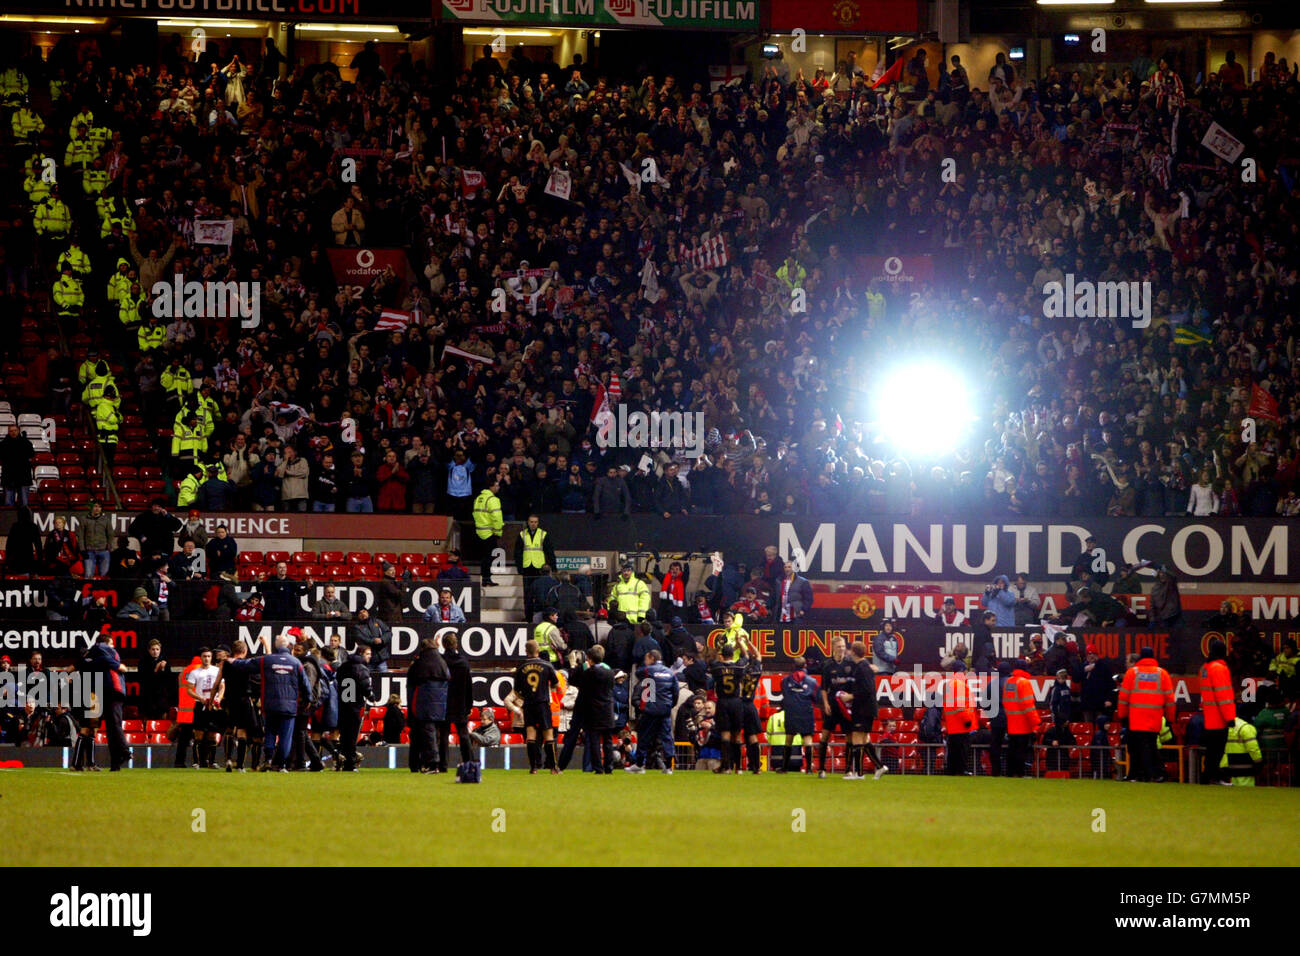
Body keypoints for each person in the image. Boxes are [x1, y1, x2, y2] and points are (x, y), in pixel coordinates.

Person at [217, 632, 311, 772]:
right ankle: (281, 765)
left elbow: (246, 664)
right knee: (286, 735)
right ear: (288, 647)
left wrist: (232, 661)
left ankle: (267, 759)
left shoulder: (267, 660)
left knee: (270, 732)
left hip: (270, 704)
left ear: (275, 646)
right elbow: (305, 683)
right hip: (289, 705)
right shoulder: (296, 662)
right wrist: (308, 698)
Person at [1116, 647, 1176, 783]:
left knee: (1135, 749)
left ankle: (1136, 774)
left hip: (1135, 719)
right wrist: (1170, 718)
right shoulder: (1162, 673)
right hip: (1154, 719)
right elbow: (1170, 700)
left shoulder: (1132, 673)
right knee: (1151, 747)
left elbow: (1123, 698)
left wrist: (1123, 716)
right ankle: (1156, 774)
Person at [627, 649, 679, 773]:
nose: (645, 662)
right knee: (667, 737)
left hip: (650, 709)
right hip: (665, 710)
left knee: (644, 736)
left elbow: (639, 674)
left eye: (646, 659)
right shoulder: (670, 673)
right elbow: (675, 692)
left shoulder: (647, 671)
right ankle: (668, 766)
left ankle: (640, 765)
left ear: (651, 658)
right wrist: (669, 705)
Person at [512, 639, 559, 774]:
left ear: (526, 651)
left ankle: (533, 768)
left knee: (531, 735)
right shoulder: (547, 666)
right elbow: (556, 685)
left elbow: (516, 692)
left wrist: (524, 698)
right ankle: (554, 768)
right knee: (548, 735)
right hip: (543, 703)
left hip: (529, 704)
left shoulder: (521, 668)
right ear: (538, 650)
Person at [843, 641, 887, 780]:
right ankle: (879, 767)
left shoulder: (862, 668)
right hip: (866, 707)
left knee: (857, 736)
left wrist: (851, 696)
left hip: (863, 708)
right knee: (863, 739)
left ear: (853, 652)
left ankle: (859, 773)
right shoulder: (863, 666)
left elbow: (867, 690)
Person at [215, 640, 262, 771]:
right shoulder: (247, 664)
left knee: (230, 729)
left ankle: (228, 759)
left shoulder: (225, 664)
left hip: (229, 699)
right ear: (245, 651)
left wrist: (214, 696)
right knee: (242, 732)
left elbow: (218, 681)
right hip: (244, 699)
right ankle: (240, 765)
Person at [407, 637, 449, 773]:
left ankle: (431, 764)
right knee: (434, 734)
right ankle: (433, 763)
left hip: (424, 704)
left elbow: (412, 683)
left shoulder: (420, 663)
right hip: (440, 705)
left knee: (426, 734)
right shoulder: (442, 662)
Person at [1198, 638, 1236, 785]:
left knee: (1211, 751)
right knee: (1217, 751)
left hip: (1209, 717)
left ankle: (1207, 776)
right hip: (1219, 719)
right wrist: (1230, 718)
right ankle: (1213, 777)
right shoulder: (1219, 669)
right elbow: (1224, 696)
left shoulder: (1205, 668)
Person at [817, 636, 855, 777]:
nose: (842, 649)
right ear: (833, 647)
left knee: (849, 737)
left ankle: (848, 769)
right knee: (825, 735)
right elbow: (823, 687)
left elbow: (853, 685)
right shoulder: (827, 665)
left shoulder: (850, 664)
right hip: (832, 705)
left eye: (843, 646)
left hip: (846, 706)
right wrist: (825, 703)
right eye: (839, 646)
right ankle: (821, 769)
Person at [335, 644, 373, 771]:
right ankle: (350, 763)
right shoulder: (361, 668)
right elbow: (365, 685)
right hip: (354, 705)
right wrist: (370, 695)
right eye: (368, 654)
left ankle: (342, 759)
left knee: (344, 735)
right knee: (352, 735)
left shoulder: (343, 667)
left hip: (343, 704)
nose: (370, 657)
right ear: (361, 654)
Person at [1002, 660, 1041, 778]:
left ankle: (1010, 773)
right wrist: (1036, 722)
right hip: (1023, 724)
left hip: (1012, 723)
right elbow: (1028, 706)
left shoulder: (1008, 682)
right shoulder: (1024, 683)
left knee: (1012, 750)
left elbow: (1006, 702)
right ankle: (1019, 774)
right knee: (1021, 751)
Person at [440, 633, 473, 772]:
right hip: (460, 703)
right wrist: (469, 705)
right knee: (464, 735)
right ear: (456, 645)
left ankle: (443, 765)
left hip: (444, 703)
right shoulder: (463, 662)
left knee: (443, 736)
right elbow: (469, 686)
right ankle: (469, 763)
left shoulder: (440, 661)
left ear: (443, 644)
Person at [778, 657, 817, 773]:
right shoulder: (812, 681)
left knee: (789, 739)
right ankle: (809, 769)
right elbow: (815, 697)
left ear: (793, 666)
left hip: (791, 712)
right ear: (805, 666)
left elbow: (785, 694)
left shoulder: (785, 681)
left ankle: (784, 768)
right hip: (806, 712)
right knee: (808, 739)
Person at [514, 514, 556, 619]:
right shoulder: (522, 534)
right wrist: (519, 567)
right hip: (527, 568)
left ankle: (540, 615)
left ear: (538, 523)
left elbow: (549, 551)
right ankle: (528, 617)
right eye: (531, 522)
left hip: (539, 568)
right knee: (527, 594)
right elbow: (517, 553)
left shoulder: (543, 534)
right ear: (528, 522)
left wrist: (553, 567)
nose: (533, 524)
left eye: (535, 522)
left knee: (540, 593)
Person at [186, 647, 221, 769]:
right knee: (198, 735)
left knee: (212, 734)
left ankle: (213, 762)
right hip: (200, 705)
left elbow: (222, 687)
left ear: (211, 658)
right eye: (204, 656)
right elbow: (189, 690)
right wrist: (200, 698)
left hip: (213, 705)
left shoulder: (217, 670)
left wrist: (219, 699)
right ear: (201, 658)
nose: (206, 658)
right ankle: (196, 762)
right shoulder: (195, 672)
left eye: (209, 656)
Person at [943, 661, 977, 775]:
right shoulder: (960, 684)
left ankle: (953, 771)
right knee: (961, 750)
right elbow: (961, 705)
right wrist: (967, 720)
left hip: (953, 723)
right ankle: (961, 771)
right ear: (963, 671)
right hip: (961, 724)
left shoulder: (951, 683)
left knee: (953, 750)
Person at [472, 478, 503, 586]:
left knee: (484, 557)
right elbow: (497, 517)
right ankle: (486, 579)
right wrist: (498, 532)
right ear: (491, 486)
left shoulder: (478, 498)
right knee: (488, 557)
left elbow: (475, 515)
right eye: (497, 485)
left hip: (479, 532)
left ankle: (485, 579)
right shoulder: (492, 499)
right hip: (489, 533)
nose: (498, 487)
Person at [1220, 716, 1263, 786]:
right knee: (1247, 791)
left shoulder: (1223, 726)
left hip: (1230, 765)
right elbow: (1253, 748)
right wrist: (1258, 762)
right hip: (1246, 766)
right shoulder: (1245, 728)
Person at [0, 423, 36, 506]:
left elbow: (31, 454)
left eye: (15, 430)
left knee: (24, 503)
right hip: (9, 476)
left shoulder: (26, 443)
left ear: (18, 431)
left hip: (23, 476)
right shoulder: (3, 444)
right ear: (8, 432)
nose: (13, 432)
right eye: (11, 431)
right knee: (8, 504)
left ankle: (24, 519)